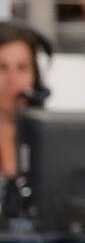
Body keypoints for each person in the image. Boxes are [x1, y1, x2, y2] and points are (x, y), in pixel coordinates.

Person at [0, 21, 52, 221]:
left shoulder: (52, 139)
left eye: (23, 68)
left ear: (36, 78)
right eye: (1, 67)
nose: (12, 79)